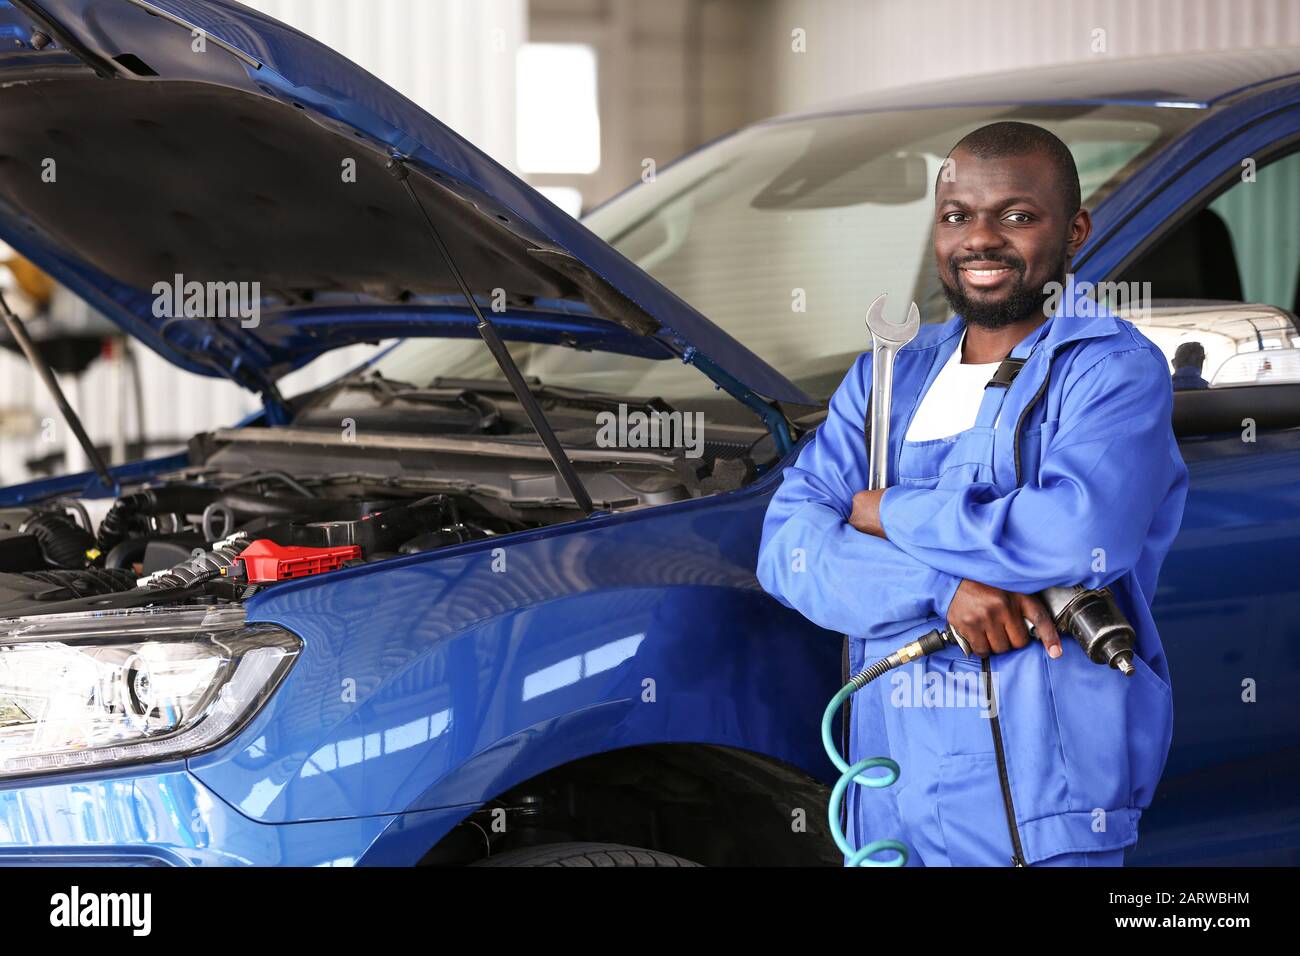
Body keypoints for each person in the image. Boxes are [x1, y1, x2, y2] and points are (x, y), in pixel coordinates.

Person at [757, 122, 1189, 867]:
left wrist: (882, 510)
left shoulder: (1110, 370)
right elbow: (788, 546)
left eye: (1017, 216)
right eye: (958, 216)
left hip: (1039, 798)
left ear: (1075, 229)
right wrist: (940, 585)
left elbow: (1071, 533)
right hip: (890, 786)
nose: (979, 239)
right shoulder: (888, 377)